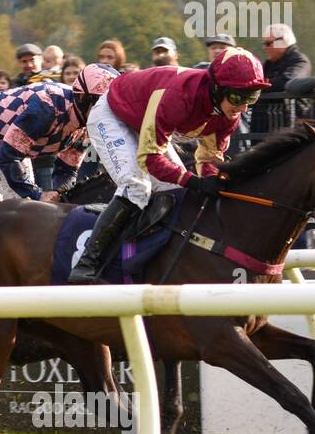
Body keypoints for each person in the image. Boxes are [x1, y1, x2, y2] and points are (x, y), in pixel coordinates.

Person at [69, 47, 269, 284]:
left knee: (176, 193)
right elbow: (150, 158)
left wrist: (210, 180)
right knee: (136, 187)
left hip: (143, 118)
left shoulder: (228, 116)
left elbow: (209, 157)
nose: (243, 108)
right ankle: (88, 262)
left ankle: (150, 258)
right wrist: (195, 182)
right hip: (112, 114)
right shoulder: (180, 97)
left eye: (252, 98)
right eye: (237, 98)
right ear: (217, 88)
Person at [0, 64, 121, 245]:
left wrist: (58, 195)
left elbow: (66, 169)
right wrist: (38, 194)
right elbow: (7, 157)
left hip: (14, 143)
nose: (106, 112)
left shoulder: (86, 127)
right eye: (101, 103)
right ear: (84, 98)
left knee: (23, 206)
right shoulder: (48, 107)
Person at [254, 22, 310, 135]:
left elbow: (287, 82)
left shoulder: (300, 61)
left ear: (283, 41)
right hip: (266, 124)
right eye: (264, 44)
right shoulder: (269, 64)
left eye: (268, 43)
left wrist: (257, 85)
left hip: (289, 126)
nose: (265, 48)